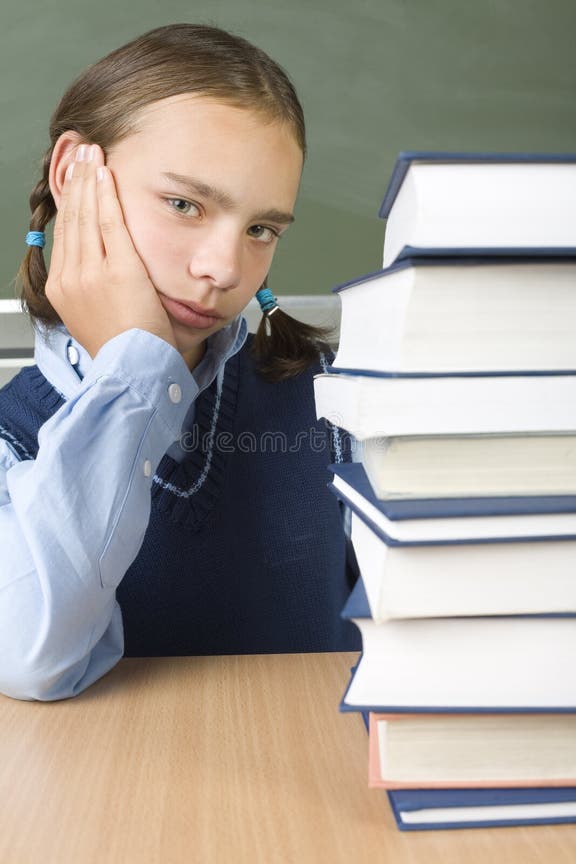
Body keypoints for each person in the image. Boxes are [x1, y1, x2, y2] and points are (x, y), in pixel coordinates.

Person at [0, 23, 360, 702]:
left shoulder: (340, 403)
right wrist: (136, 369)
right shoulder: (9, 435)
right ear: (75, 174)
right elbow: (31, 659)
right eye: (184, 204)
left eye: (260, 229)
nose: (224, 270)